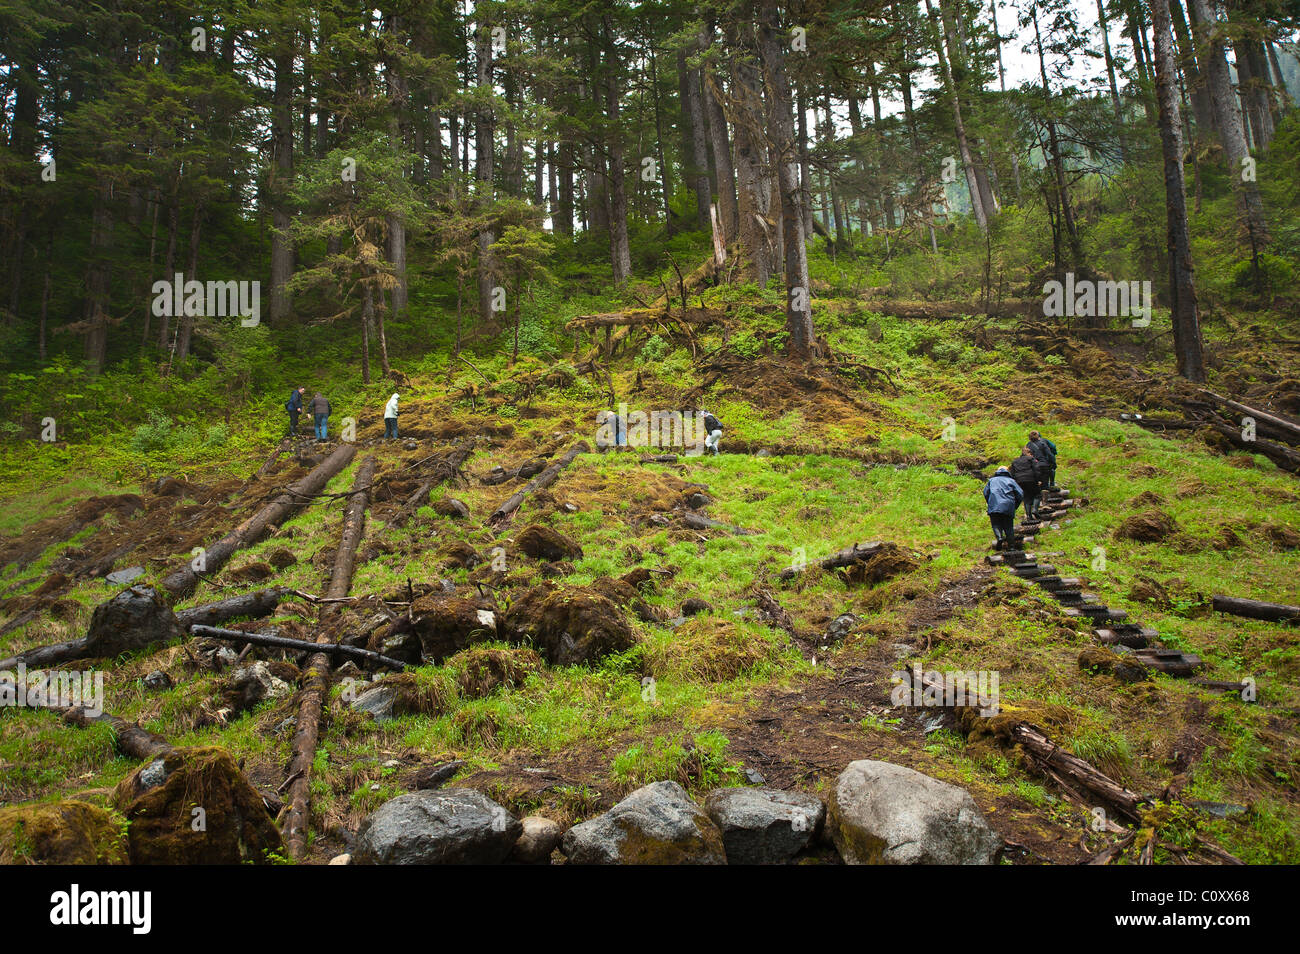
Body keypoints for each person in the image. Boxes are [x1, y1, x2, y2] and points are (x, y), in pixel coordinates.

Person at [983, 465, 1024, 550]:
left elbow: (985, 492)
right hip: (1008, 505)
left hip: (994, 505)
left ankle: (999, 538)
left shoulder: (991, 480)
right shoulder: (1011, 481)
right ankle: (1011, 547)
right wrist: (1015, 505)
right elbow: (1020, 494)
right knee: (1009, 527)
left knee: (995, 524)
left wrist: (990, 502)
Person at [1008, 446, 1047, 520]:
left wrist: (1015, 483)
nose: (1032, 455)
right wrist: (1038, 480)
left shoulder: (1015, 461)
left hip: (1020, 481)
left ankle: (1029, 516)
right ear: (1028, 453)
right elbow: (1036, 469)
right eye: (1031, 454)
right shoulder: (1031, 459)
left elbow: (1012, 473)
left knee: (1026, 498)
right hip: (1031, 479)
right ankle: (1035, 510)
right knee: (1037, 494)